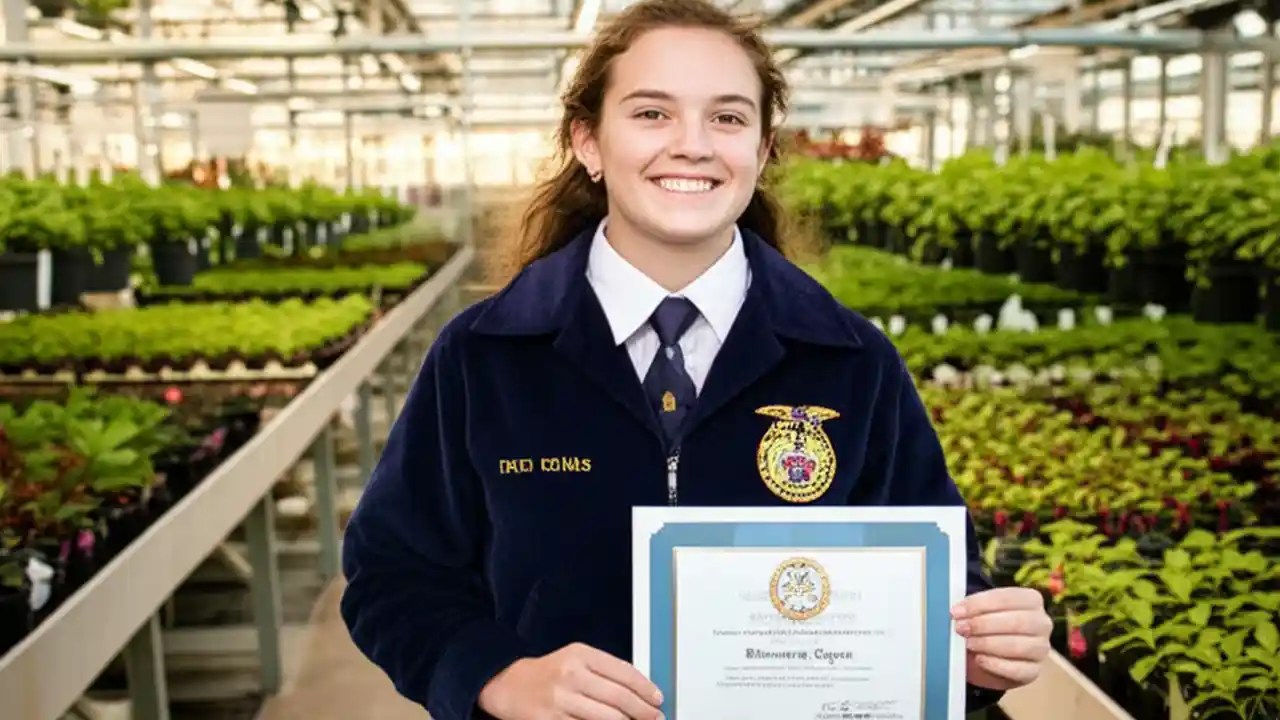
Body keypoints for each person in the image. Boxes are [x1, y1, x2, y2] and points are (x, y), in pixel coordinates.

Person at [339, 1, 1053, 718]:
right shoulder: (486, 359)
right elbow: (391, 575)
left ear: (765, 150)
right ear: (588, 141)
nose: (693, 144)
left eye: (729, 117)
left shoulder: (851, 363)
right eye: (652, 114)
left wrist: (985, 649)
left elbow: (941, 587)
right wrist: (495, 674)